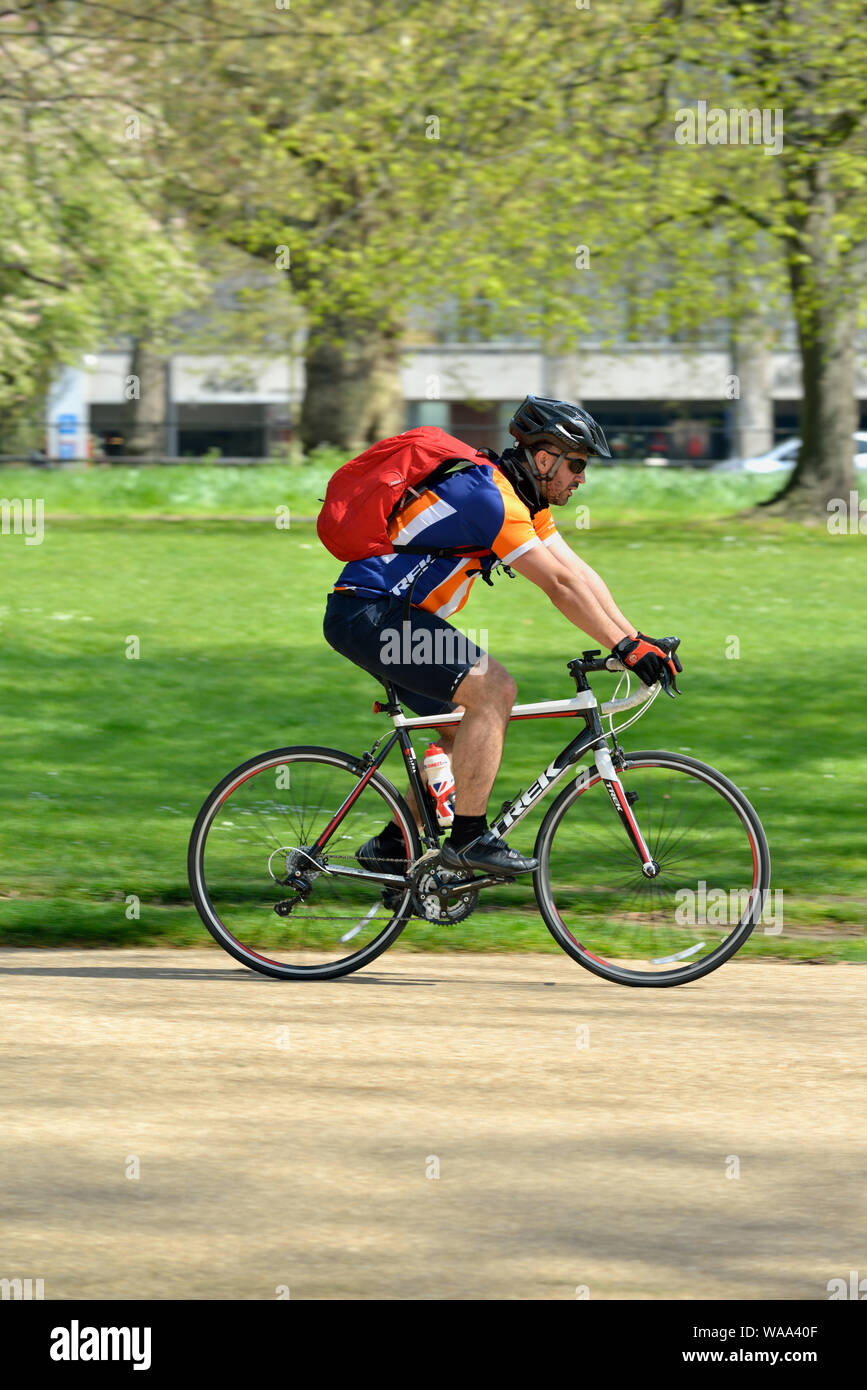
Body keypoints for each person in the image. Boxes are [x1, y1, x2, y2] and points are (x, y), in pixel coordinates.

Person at [322, 395, 682, 877]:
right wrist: (625, 647)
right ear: (543, 458)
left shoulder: (523, 500)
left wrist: (634, 638)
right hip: (370, 612)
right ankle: (469, 840)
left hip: (386, 614)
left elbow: (576, 574)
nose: (581, 477)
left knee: (460, 725)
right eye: (575, 464)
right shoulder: (489, 497)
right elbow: (555, 586)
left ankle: (393, 846)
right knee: (494, 689)